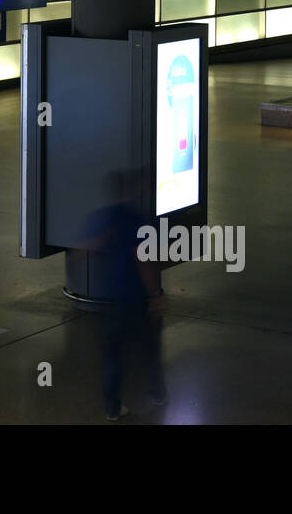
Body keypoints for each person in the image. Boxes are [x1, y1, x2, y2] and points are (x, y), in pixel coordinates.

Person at [83, 171, 167, 421]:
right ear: (130, 191)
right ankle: (157, 393)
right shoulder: (136, 220)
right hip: (136, 299)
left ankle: (112, 407)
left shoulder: (101, 218)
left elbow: (86, 247)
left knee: (112, 356)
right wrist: (155, 294)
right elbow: (142, 260)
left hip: (111, 299)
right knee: (150, 350)